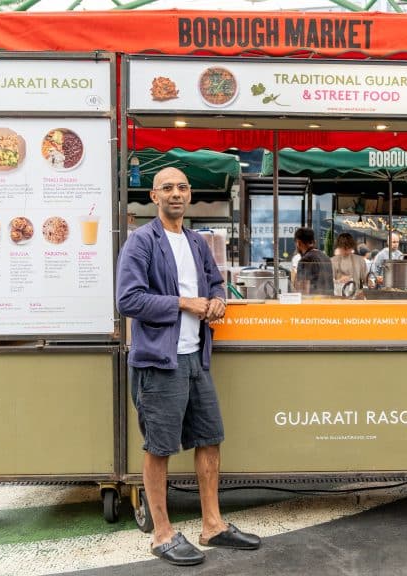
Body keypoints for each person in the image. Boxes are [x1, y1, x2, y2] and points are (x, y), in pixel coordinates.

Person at [116, 167, 260, 567]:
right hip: (160, 361)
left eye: (181, 187)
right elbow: (128, 300)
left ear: (189, 193)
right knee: (159, 447)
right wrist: (184, 303)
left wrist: (216, 300)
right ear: (154, 195)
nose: (175, 193)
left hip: (197, 357)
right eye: (167, 188)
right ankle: (162, 533)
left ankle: (212, 525)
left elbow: (215, 283)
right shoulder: (140, 242)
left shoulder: (196, 242)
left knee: (209, 437)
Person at [294, 227, 334, 295]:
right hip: (328, 302)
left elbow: (302, 290)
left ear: (299, 243)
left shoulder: (305, 260)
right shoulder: (326, 257)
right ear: (313, 241)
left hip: (313, 303)